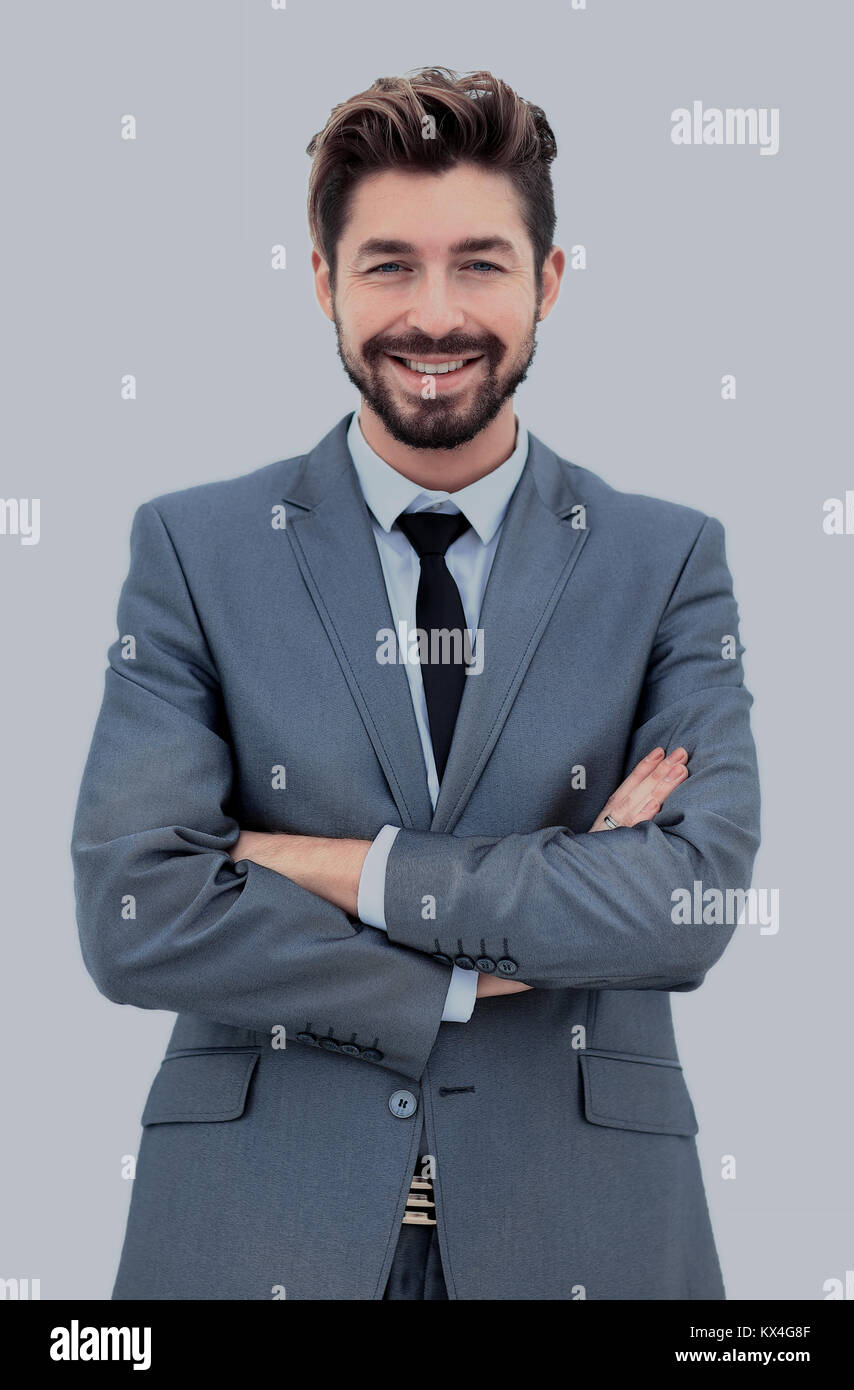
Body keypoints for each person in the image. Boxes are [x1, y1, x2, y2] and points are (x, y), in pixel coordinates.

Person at [71, 66, 760, 1300]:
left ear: (547, 283)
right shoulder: (192, 549)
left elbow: (687, 903)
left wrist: (335, 864)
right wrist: (470, 965)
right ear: (325, 282)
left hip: (587, 1226)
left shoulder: (666, 560)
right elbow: (136, 908)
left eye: (480, 264)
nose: (433, 315)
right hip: (251, 1227)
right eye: (388, 264)